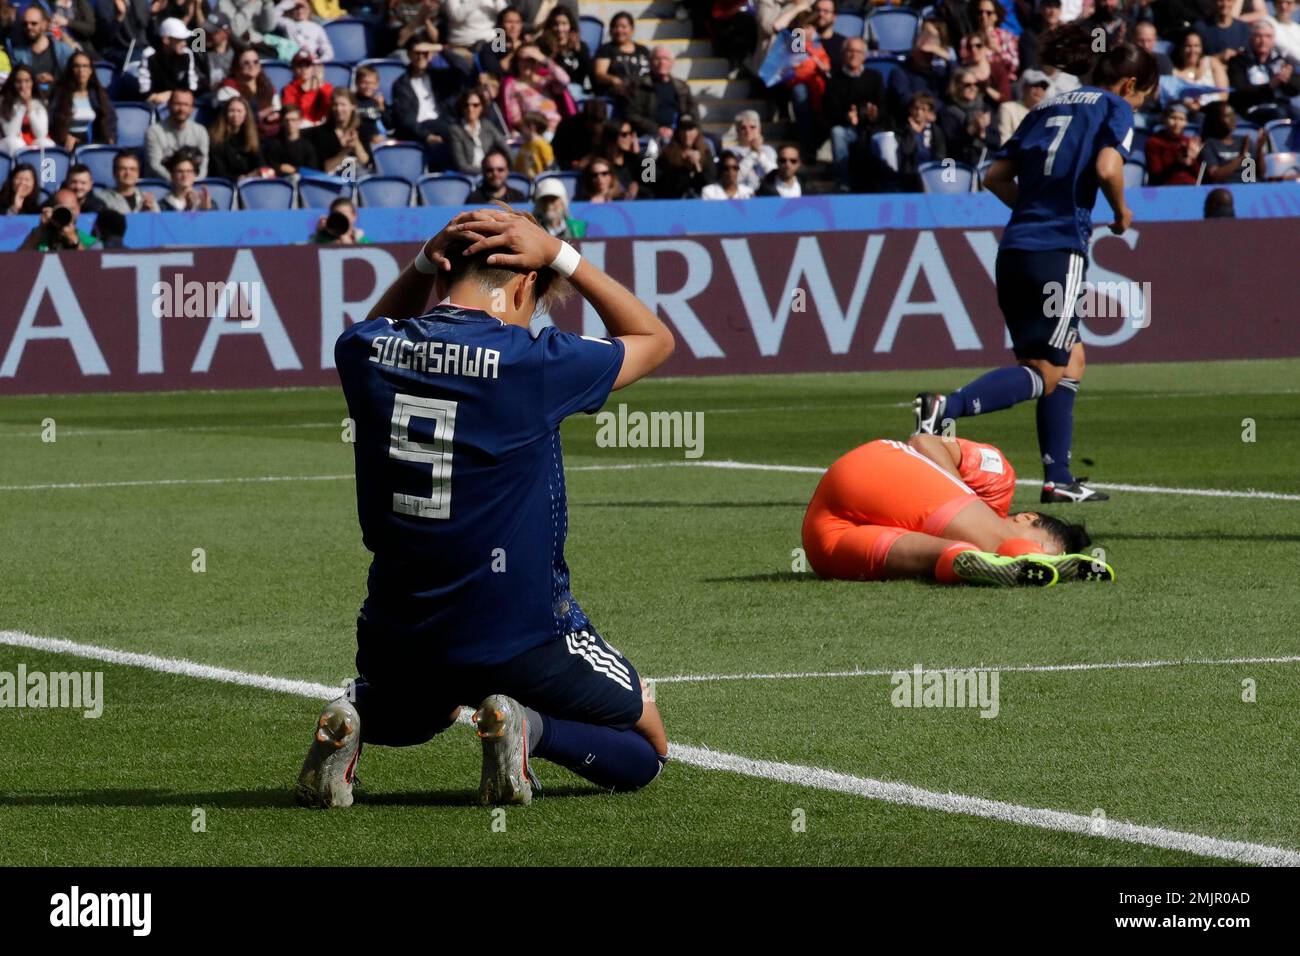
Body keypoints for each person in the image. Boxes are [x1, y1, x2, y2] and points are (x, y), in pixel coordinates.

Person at [296, 206, 675, 809]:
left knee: (429, 708)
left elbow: (366, 330)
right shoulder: (532, 361)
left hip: (400, 633)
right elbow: (655, 340)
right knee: (646, 747)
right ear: (524, 283)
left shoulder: (369, 348)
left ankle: (358, 717)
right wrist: (560, 253)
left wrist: (424, 261)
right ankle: (531, 728)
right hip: (520, 635)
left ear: (443, 270)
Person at [914, 23, 1159, 504]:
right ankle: (948, 407)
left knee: (1073, 358)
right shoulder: (1113, 107)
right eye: (1143, 97)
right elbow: (1110, 168)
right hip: (1058, 251)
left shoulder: (1045, 105)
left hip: (1016, 250)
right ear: (1130, 86)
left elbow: (994, 177)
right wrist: (1121, 211)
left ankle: (1058, 479)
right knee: (1046, 369)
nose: (1139, 105)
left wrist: (1033, 208)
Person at [801, 434, 1112, 585]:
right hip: (873, 469)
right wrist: (958, 491)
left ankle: (983, 566)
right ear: (1028, 517)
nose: (1042, 556)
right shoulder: (998, 480)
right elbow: (924, 443)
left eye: (1043, 557)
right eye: (1042, 549)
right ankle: (1013, 553)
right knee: (987, 538)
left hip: (825, 543)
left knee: (952, 553)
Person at [825, 36, 885, 192]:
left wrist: (874, 116)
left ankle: (882, 183)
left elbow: (882, 106)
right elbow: (830, 111)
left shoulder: (875, 77)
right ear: (844, 54)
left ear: (864, 55)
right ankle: (843, 183)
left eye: (858, 52)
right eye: (850, 51)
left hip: (870, 127)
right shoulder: (834, 80)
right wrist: (848, 118)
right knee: (837, 132)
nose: (854, 55)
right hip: (847, 127)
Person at [1228, 20, 1300, 120]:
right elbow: (1240, 91)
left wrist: (1287, 80)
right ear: (1250, 38)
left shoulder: (1280, 60)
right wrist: (1270, 86)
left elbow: (1296, 89)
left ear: (1273, 40)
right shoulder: (1238, 61)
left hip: (1280, 105)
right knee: (1279, 114)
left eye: (1268, 36)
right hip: (1252, 108)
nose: (1263, 41)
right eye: (1258, 36)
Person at [626, 45, 696, 142]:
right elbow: (632, 115)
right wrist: (657, 129)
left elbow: (692, 113)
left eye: (666, 59)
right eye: (657, 59)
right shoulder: (639, 85)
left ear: (672, 63)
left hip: (678, 132)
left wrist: (689, 130)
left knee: (710, 143)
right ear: (650, 62)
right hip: (648, 133)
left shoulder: (682, 87)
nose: (662, 62)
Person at [49, 52, 117, 150]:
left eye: (85, 66)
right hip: (67, 143)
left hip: (92, 141)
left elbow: (109, 118)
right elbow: (52, 121)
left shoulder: (97, 94)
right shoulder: (60, 94)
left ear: (91, 70)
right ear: (70, 70)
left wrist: (110, 138)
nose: (81, 70)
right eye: (76, 66)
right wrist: (64, 137)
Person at [499, 42, 571, 133]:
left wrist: (542, 58)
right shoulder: (513, 86)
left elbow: (565, 80)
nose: (526, 64)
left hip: (558, 128)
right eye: (522, 60)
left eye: (531, 60)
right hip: (536, 130)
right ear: (517, 62)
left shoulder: (547, 80)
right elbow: (515, 119)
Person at [137, 17, 210, 105]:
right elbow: (145, 93)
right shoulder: (149, 55)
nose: (184, 44)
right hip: (157, 105)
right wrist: (156, 97)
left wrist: (172, 95)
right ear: (166, 40)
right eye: (180, 40)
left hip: (182, 102)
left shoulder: (187, 54)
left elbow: (192, 86)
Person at [9, 4, 73, 97]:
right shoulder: (17, 54)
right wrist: (33, 80)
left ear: (45, 24)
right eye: (25, 24)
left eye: (34, 23)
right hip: (32, 101)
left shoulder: (64, 50)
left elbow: (73, 79)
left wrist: (54, 80)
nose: (29, 27)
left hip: (60, 100)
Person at [217, 49, 283, 140]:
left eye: (255, 62)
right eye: (246, 63)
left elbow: (277, 109)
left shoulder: (268, 86)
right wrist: (264, 113)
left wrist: (276, 115)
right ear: (238, 66)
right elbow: (233, 117)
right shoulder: (228, 87)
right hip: (241, 137)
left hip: (270, 136)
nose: (252, 66)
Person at [941, 67, 1000, 167]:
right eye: (967, 85)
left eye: (976, 84)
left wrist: (983, 134)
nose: (973, 88)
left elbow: (997, 141)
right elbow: (951, 146)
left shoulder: (985, 108)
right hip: (961, 165)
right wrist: (971, 130)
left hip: (987, 163)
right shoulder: (949, 113)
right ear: (956, 86)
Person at [145, 88, 210, 178]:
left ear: (192, 108)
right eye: (177, 104)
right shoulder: (154, 131)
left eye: (186, 105)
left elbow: (203, 166)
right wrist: (179, 181)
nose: (181, 109)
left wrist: (193, 182)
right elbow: (155, 165)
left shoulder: (201, 131)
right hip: (163, 185)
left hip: (192, 185)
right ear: (168, 105)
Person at [308, 88, 375, 174]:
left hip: (358, 177)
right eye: (335, 105)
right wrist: (345, 151)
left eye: (343, 105)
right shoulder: (322, 133)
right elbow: (325, 167)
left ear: (353, 106)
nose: (339, 109)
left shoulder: (363, 129)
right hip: (333, 180)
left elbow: (367, 163)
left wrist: (356, 144)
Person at [1196, 100, 1263, 181]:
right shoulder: (1209, 145)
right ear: (1215, 120)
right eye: (1227, 116)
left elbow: (1261, 173)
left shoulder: (1245, 141)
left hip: (1249, 189)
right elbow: (1214, 175)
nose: (1233, 119)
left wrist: (1260, 148)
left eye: (1233, 115)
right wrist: (1240, 158)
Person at [592, 11, 650, 101]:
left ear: (632, 29)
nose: (619, 30)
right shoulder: (606, 49)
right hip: (618, 92)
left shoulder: (643, 50)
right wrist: (614, 80)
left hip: (643, 90)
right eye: (615, 27)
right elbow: (600, 74)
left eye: (623, 27)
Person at [449, 86, 508, 173]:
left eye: (475, 105)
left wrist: (508, 168)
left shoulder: (487, 125)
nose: (470, 109)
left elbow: (505, 148)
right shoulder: (456, 130)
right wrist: (487, 171)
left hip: (491, 174)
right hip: (470, 177)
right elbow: (462, 166)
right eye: (466, 105)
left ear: (482, 107)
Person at [1, 64, 56, 156]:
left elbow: (41, 134)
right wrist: (22, 107)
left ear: (32, 82)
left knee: (46, 143)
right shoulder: (3, 101)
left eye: (27, 81)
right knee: (15, 143)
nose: (23, 86)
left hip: (31, 143)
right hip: (7, 145)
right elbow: (10, 133)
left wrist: (30, 109)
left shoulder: (38, 103)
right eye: (18, 82)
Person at [655, 115, 716, 198]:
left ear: (697, 131)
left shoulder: (706, 153)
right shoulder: (667, 153)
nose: (687, 134)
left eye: (690, 129)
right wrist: (683, 164)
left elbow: (709, 184)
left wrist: (697, 165)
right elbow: (662, 184)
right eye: (683, 129)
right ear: (678, 132)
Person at [18, 186, 97, 249]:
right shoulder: (38, 235)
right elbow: (20, 260)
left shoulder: (89, 242)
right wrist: (41, 229)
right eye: (62, 208)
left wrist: (75, 242)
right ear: (53, 209)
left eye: (71, 209)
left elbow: (91, 267)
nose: (66, 213)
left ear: (78, 210)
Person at [208, 95, 267, 179]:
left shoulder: (252, 137)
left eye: (239, 111)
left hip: (250, 183)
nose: (235, 115)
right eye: (232, 111)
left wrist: (253, 174)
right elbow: (218, 171)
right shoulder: (215, 138)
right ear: (226, 113)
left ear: (246, 114)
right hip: (226, 183)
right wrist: (239, 178)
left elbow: (260, 164)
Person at [1145, 102, 1202, 183]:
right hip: (1166, 188)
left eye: (1181, 119)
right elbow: (1156, 174)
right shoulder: (1154, 142)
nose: (1177, 123)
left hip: (1189, 186)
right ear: (1164, 119)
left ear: (1186, 122)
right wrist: (1177, 162)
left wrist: (1192, 160)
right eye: (1173, 118)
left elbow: (1199, 175)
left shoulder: (1189, 142)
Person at [538, 5, 591, 90]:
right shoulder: (543, 45)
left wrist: (578, 51)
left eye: (564, 24)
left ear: (570, 25)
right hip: (550, 88)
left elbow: (588, 73)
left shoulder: (580, 46)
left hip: (574, 90)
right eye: (556, 24)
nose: (560, 28)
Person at [93, 149, 159, 213]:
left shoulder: (148, 199)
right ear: (114, 172)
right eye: (123, 169)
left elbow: (159, 222)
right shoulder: (102, 199)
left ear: (138, 173)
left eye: (132, 169)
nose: (128, 173)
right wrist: (140, 214)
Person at [997, 68, 1050, 145]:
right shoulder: (1008, 108)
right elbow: (1004, 141)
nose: (1039, 89)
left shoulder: (1046, 113)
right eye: (1035, 85)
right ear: (1024, 87)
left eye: (1043, 86)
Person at [282, 51, 333, 128]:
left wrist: (320, 83)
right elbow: (292, 113)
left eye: (307, 65)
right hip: (302, 128)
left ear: (312, 68)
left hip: (323, 127)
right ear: (293, 69)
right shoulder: (288, 90)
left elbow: (330, 106)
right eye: (299, 66)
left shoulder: (325, 87)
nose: (303, 69)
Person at [264, 102, 319, 175]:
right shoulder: (273, 144)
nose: (290, 123)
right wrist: (279, 167)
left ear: (300, 121)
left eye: (293, 120)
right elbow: (266, 166)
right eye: (286, 120)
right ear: (282, 122)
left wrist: (295, 170)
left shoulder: (308, 147)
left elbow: (313, 172)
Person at [728, 110, 776, 191]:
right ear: (737, 130)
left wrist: (760, 154)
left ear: (759, 129)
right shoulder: (730, 151)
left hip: (767, 193)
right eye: (743, 128)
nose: (748, 131)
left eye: (752, 127)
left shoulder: (769, 150)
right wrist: (753, 153)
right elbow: (734, 178)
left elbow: (775, 175)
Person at [513, 109, 553, 176]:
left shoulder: (542, 145)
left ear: (532, 127)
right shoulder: (525, 144)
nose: (520, 129)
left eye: (522, 126)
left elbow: (550, 166)